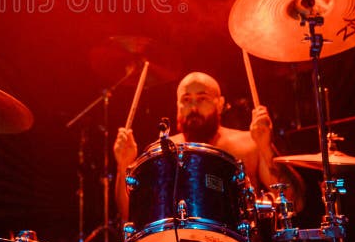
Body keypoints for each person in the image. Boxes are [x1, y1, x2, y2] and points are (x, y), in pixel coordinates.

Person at [113, 71, 304, 223]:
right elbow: (129, 214)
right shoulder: (159, 152)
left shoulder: (249, 144)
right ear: (177, 105)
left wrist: (265, 147)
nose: (193, 106)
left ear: (220, 104)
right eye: (186, 99)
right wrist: (124, 165)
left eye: (202, 98)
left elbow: (294, 202)